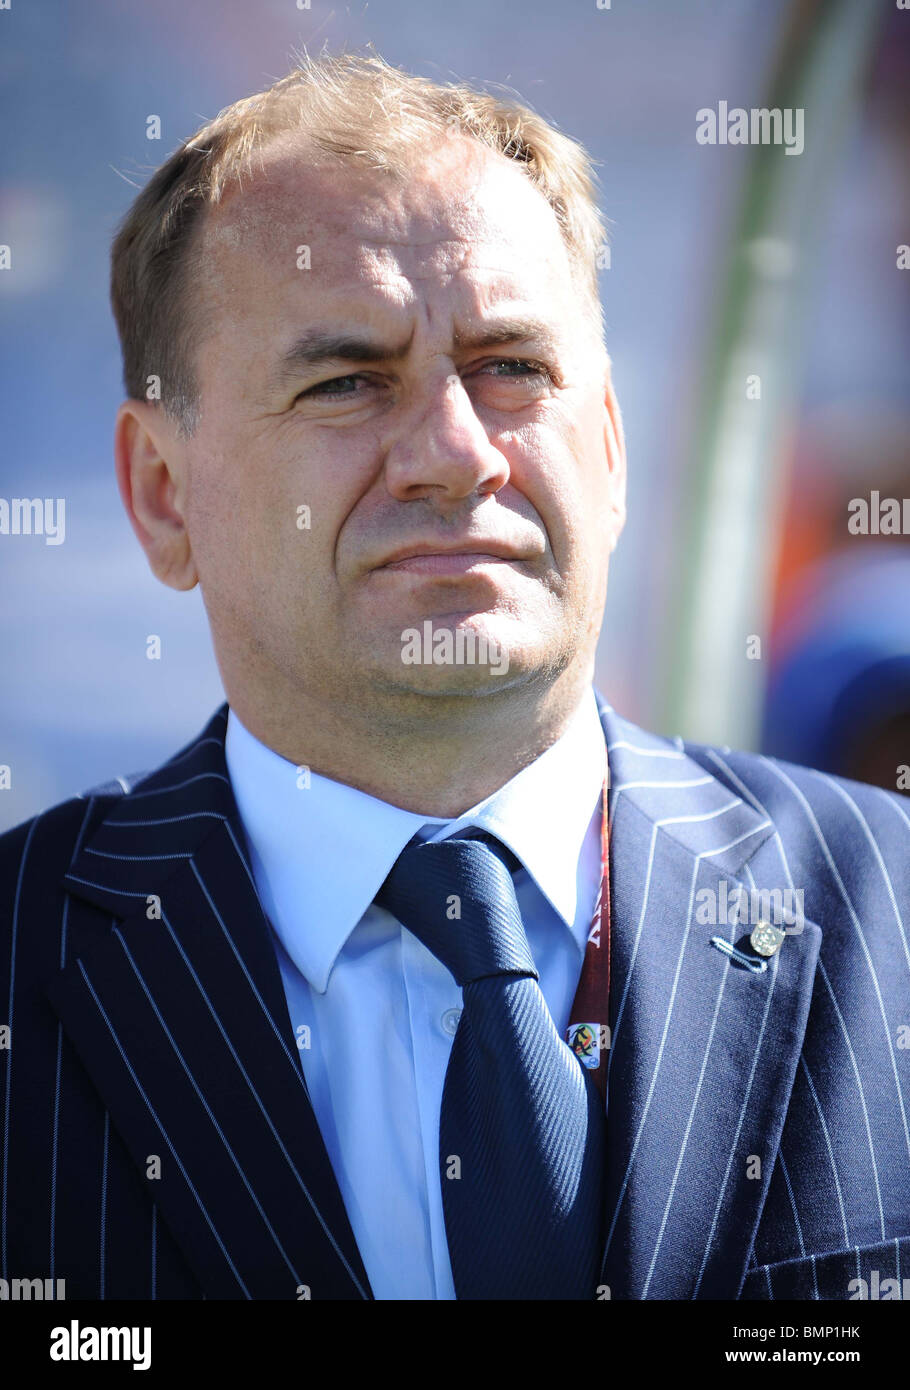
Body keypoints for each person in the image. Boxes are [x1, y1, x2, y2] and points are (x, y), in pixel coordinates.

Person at [1, 52, 908, 1303]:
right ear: (164, 495)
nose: (451, 452)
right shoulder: (18, 963)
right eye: (346, 381)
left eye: (511, 367)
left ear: (607, 445)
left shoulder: (893, 915)